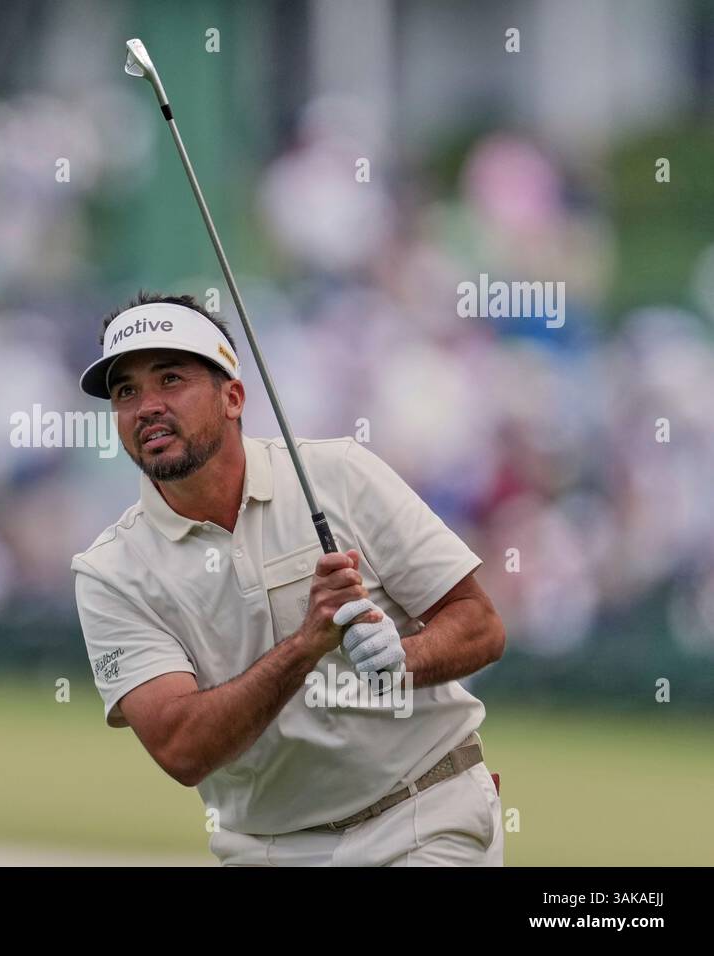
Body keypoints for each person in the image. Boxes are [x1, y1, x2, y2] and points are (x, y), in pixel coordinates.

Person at [70, 291, 506, 866]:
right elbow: (182, 748)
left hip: (424, 814)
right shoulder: (109, 572)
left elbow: (480, 625)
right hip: (267, 850)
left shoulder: (340, 475)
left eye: (170, 379)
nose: (146, 406)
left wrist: (402, 657)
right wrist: (305, 646)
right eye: (126, 392)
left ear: (233, 397)